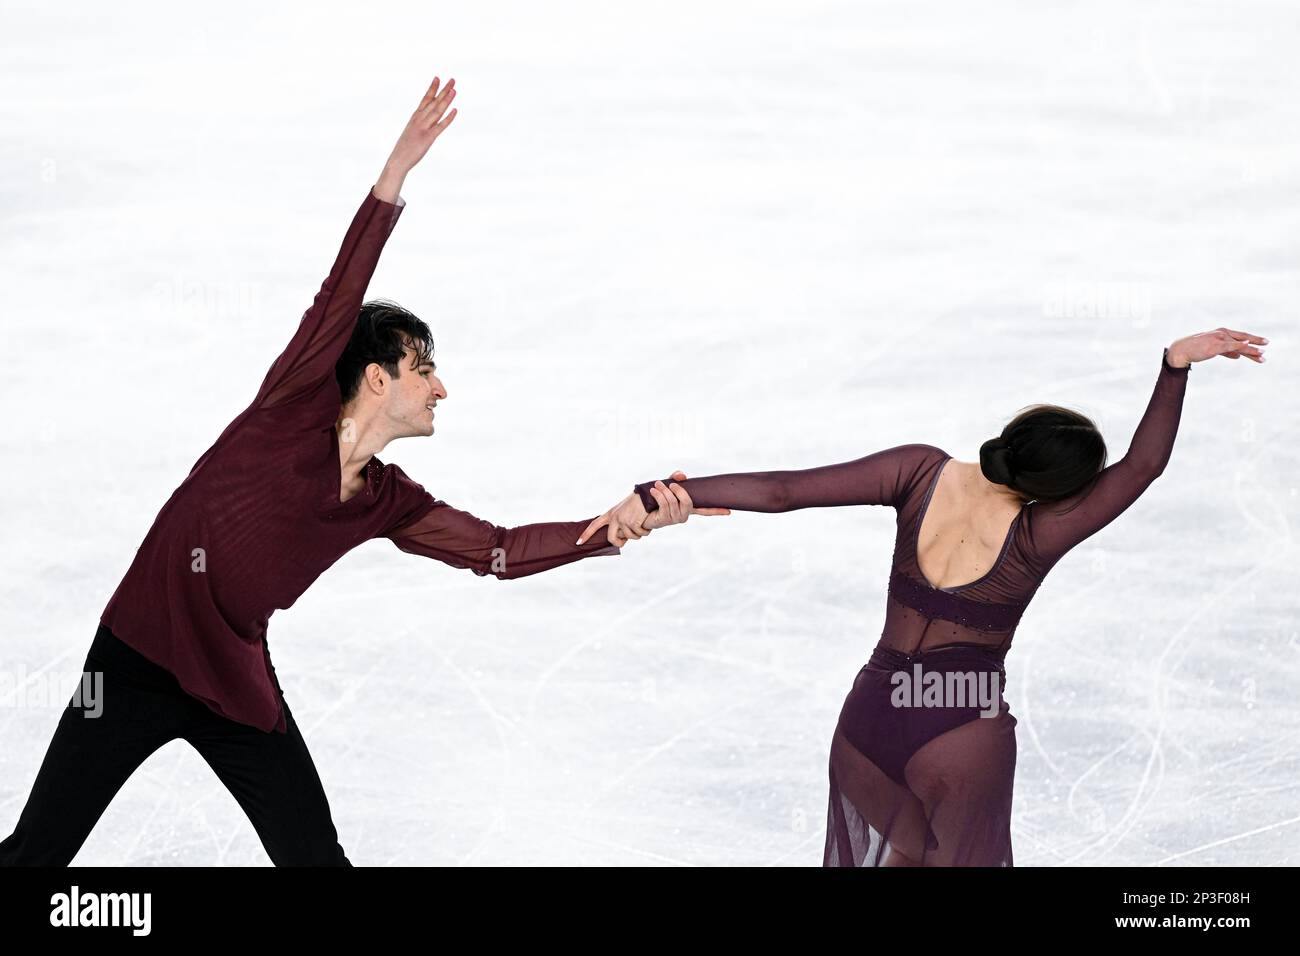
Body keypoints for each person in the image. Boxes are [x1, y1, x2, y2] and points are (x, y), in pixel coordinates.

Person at [0, 75, 709, 867]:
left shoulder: (388, 501)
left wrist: (611, 527)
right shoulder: (293, 402)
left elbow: (499, 551)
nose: (441, 388)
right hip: (134, 658)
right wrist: (394, 176)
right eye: (424, 369)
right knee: (33, 859)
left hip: (233, 685)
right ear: (376, 377)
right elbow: (340, 293)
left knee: (318, 861)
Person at [580, 330, 1267, 865]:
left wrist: (662, 496)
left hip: (870, 725)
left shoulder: (917, 471)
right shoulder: (1040, 534)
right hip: (960, 731)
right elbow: (1143, 466)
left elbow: (784, 492)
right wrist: (1174, 367)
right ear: (1060, 490)